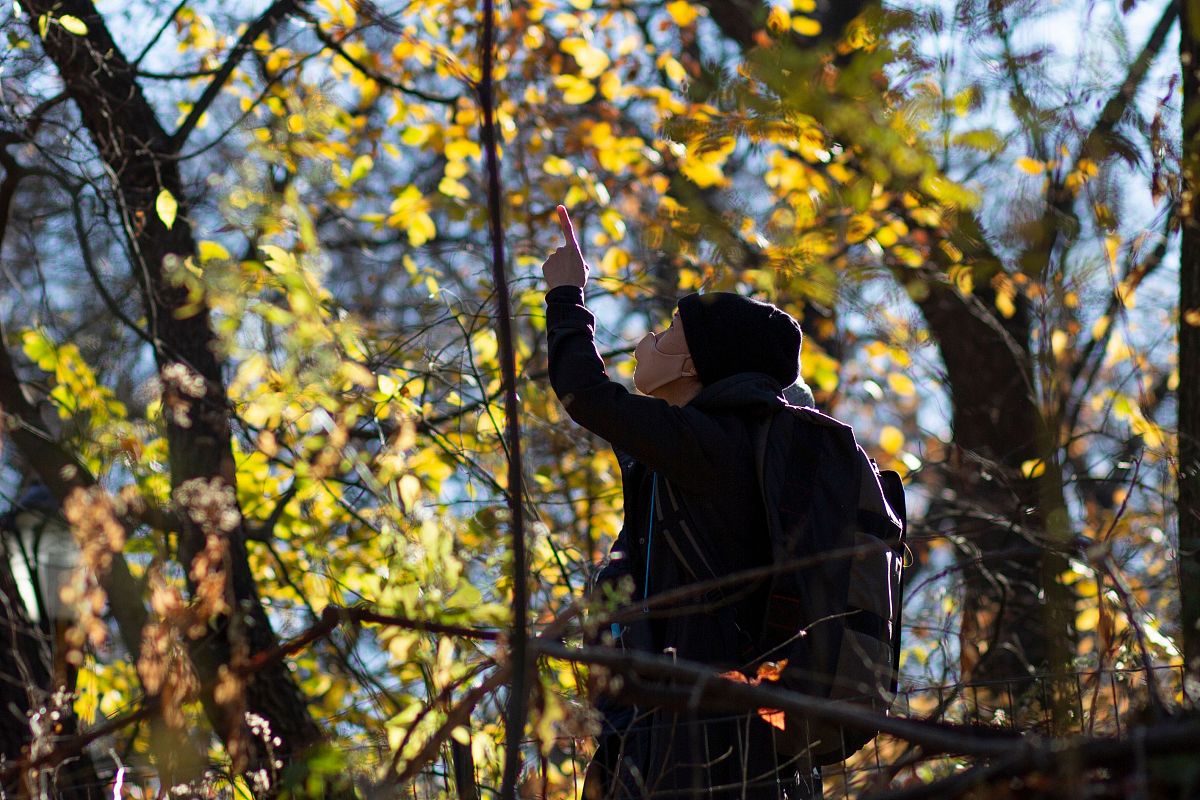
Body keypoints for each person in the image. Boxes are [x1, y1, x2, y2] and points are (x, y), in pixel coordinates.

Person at [542, 206, 822, 799]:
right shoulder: (712, 451)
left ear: (694, 364)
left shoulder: (710, 446)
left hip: (697, 746)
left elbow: (586, 394)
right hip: (718, 735)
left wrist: (567, 296)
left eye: (668, 331)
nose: (648, 337)